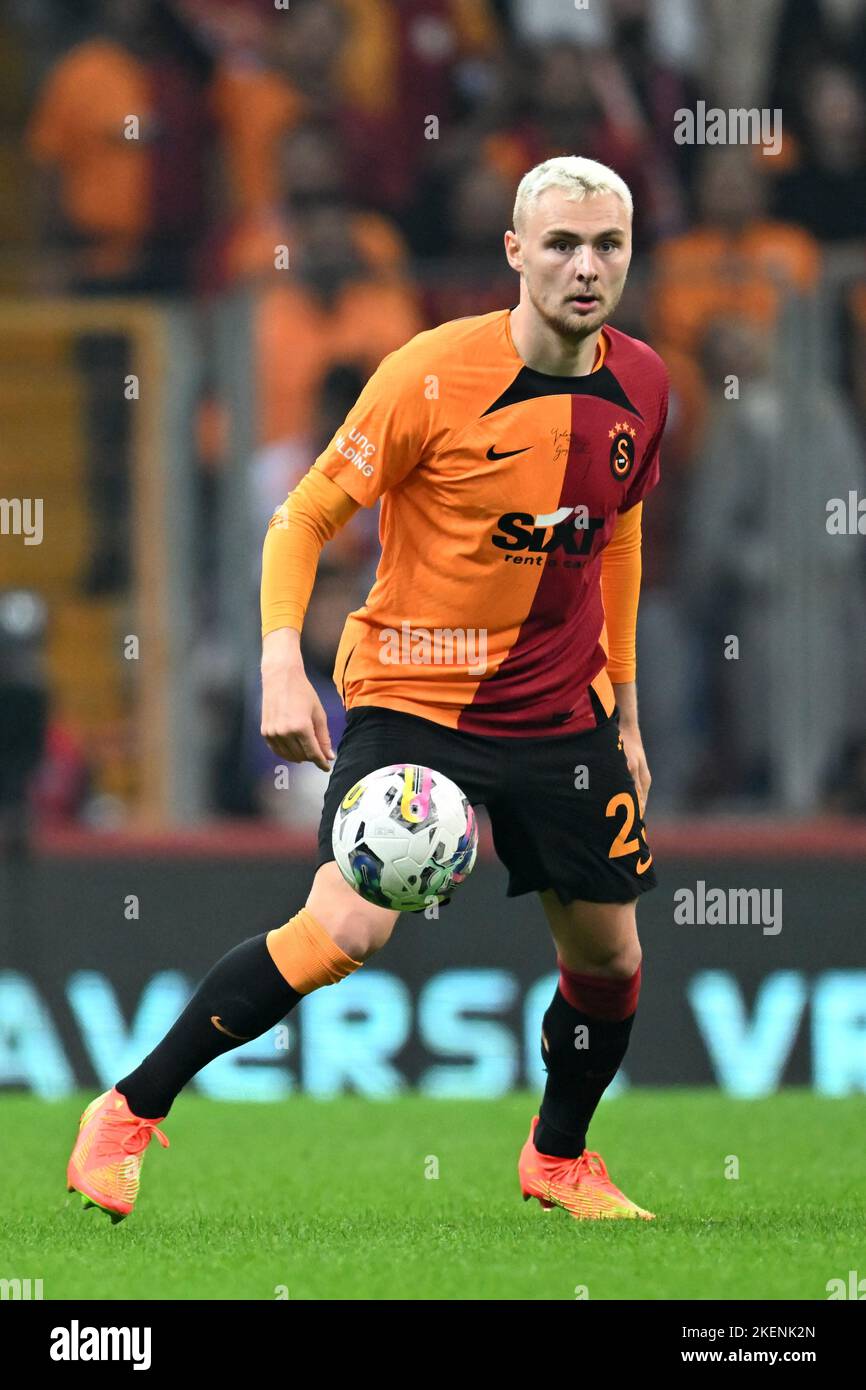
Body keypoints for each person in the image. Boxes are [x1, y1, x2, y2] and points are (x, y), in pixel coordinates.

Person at [66, 155, 669, 1223]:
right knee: (347, 928)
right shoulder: (427, 375)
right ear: (513, 252)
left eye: (606, 245)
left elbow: (615, 533)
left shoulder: (645, 386)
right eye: (562, 244)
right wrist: (279, 660)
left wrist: (621, 701)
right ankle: (127, 1108)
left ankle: (558, 1157)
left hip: (554, 705)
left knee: (609, 957)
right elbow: (299, 516)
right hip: (412, 691)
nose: (585, 266)